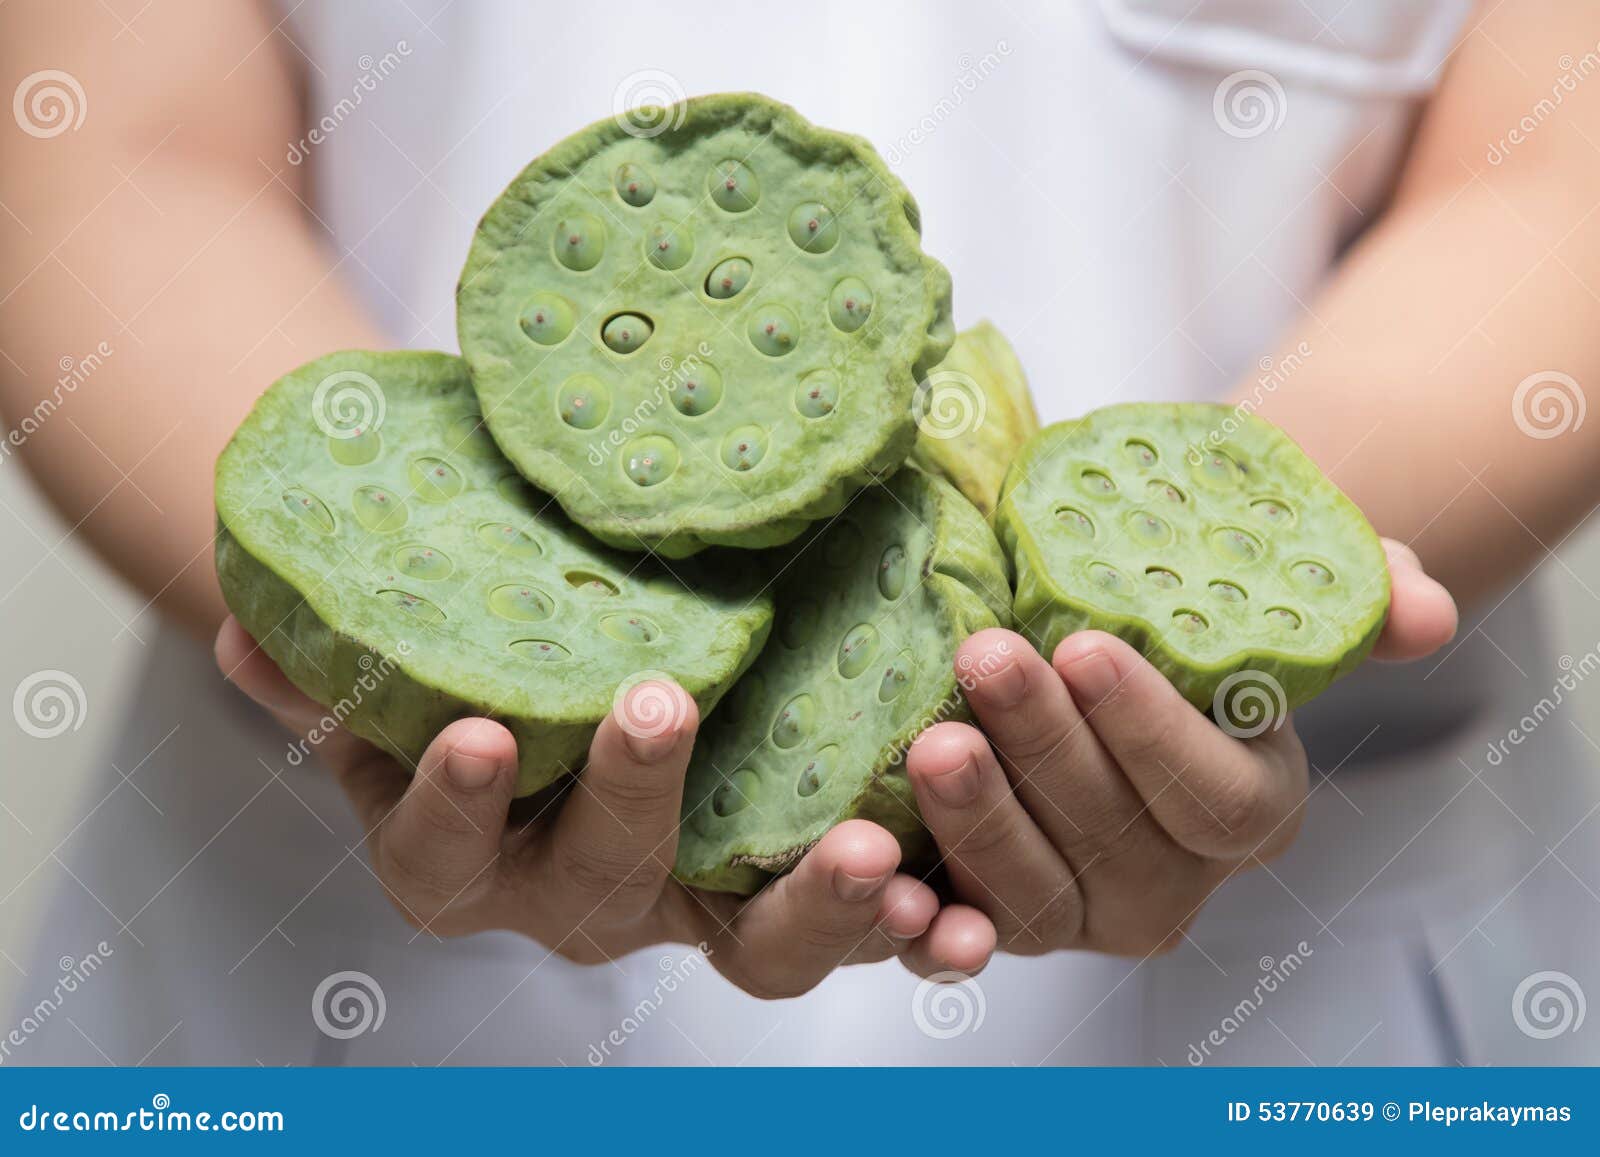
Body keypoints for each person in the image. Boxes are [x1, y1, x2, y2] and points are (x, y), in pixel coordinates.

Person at [0, 0, 1591, 1065]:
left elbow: (1549, 175)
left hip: (1298, 991)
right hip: (318, 971)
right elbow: (123, 146)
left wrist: (1195, 591)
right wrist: (412, 619)